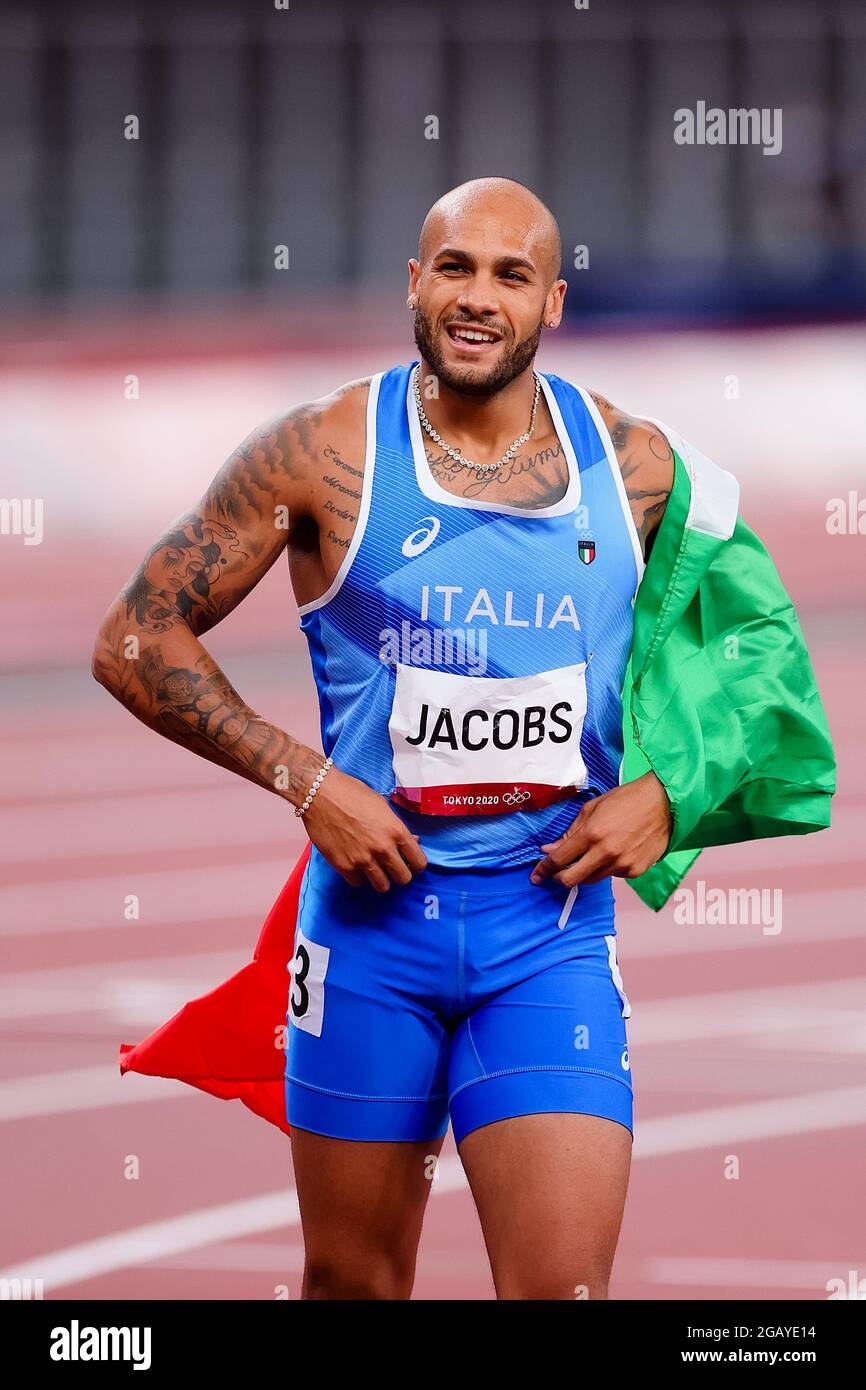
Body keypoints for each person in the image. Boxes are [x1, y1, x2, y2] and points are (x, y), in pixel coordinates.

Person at [94, 177, 835, 1301]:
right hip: (368, 933)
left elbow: (760, 653)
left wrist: (670, 792)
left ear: (553, 303)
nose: (478, 296)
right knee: (351, 1284)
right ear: (414, 283)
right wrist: (307, 782)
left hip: (546, 933)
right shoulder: (319, 453)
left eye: (510, 274)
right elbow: (133, 637)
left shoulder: (636, 468)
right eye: (454, 267)